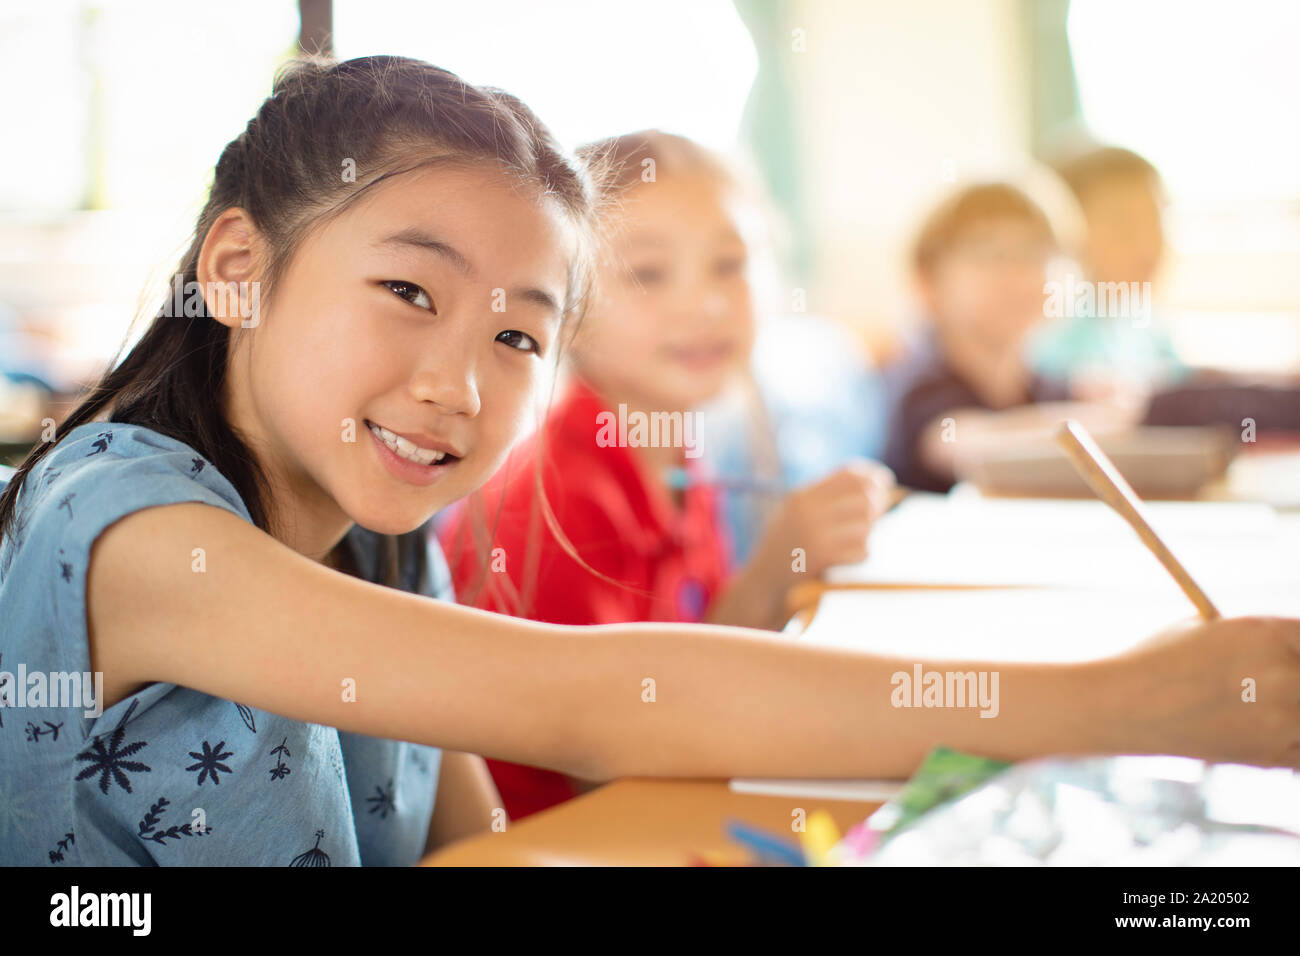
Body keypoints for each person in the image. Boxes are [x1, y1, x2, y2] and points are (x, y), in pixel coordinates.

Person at [2, 58, 1297, 866]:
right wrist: (1118, 703)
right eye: (408, 289)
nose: (460, 382)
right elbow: (605, 699)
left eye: (520, 331)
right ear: (240, 270)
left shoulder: (383, 526)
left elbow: (477, 840)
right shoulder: (137, 535)